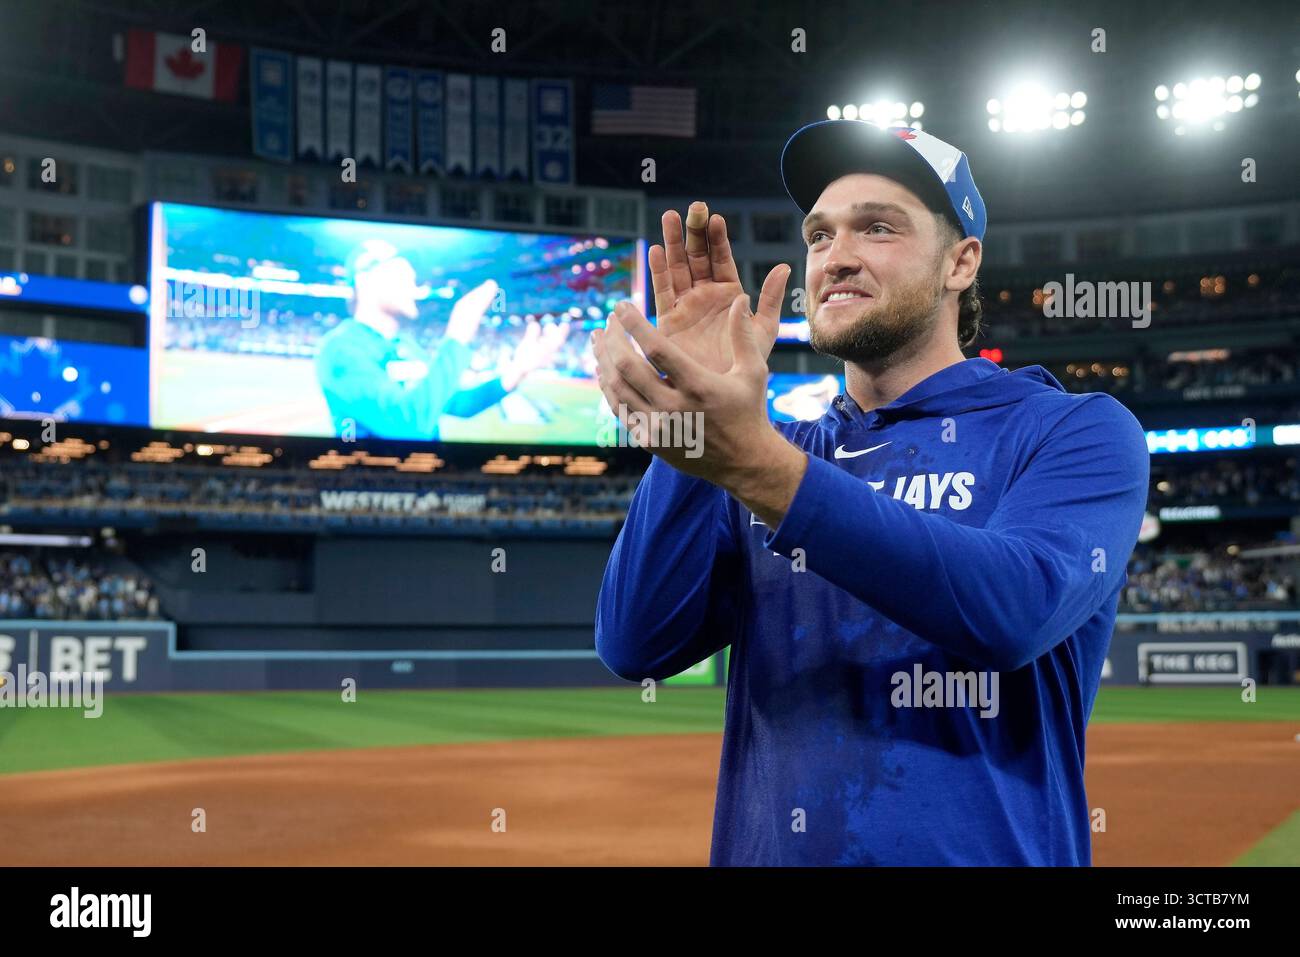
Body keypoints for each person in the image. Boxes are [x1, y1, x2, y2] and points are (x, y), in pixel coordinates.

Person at [592, 120, 1150, 866]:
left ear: (961, 262)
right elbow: (636, 643)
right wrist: (694, 430)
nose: (836, 257)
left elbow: (1014, 609)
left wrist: (756, 464)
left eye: (877, 228)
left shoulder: (1074, 431)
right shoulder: (773, 454)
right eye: (819, 236)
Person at [315, 239, 569, 441]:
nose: (412, 278)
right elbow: (409, 426)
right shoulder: (341, 349)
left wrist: (518, 369)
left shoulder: (405, 346)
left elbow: (460, 403)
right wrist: (458, 334)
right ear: (365, 281)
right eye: (400, 271)